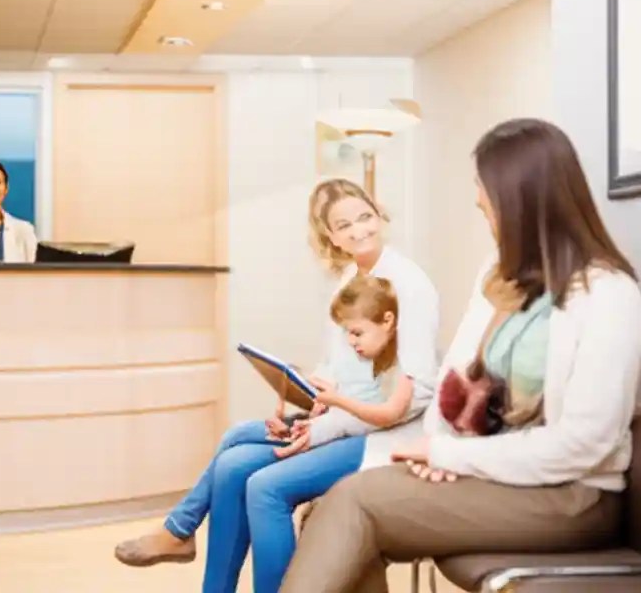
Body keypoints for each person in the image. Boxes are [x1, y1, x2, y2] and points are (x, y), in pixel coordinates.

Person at [279, 118, 641, 593]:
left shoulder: (607, 293)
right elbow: (456, 376)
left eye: (488, 205)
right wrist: (438, 446)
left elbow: (584, 444)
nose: (483, 213)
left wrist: (451, 454)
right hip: (489, 472)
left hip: (571, 494)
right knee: (331, 507)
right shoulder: (497, 275)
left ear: (522, 203)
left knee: (353, 504)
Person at [113, 179, 439, 593]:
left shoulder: (408, 285)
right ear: (330, 236)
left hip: (384, 434)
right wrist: (311, 397)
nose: (359, 230)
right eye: (344, 225)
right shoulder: (348, 280)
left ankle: (181, 531)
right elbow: (340, 366)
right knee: (232, 463)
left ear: (379, 215)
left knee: (264, 487)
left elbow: (413, 396)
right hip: (343, 418)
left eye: (365, 217)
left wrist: (326, 424)